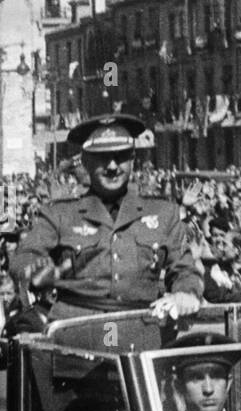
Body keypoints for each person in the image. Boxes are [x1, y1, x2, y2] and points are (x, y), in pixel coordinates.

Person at [10, 113, 203, 323]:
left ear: (132, 160)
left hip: (141, 329)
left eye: (120, 157)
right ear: (86, 162)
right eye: (102, 158)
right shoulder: (59, 214)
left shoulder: (164, 213)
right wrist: (35, 270)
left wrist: (186, 293)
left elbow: (185, 269)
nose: (112, 166)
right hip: (76, 330)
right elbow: (24, 257)